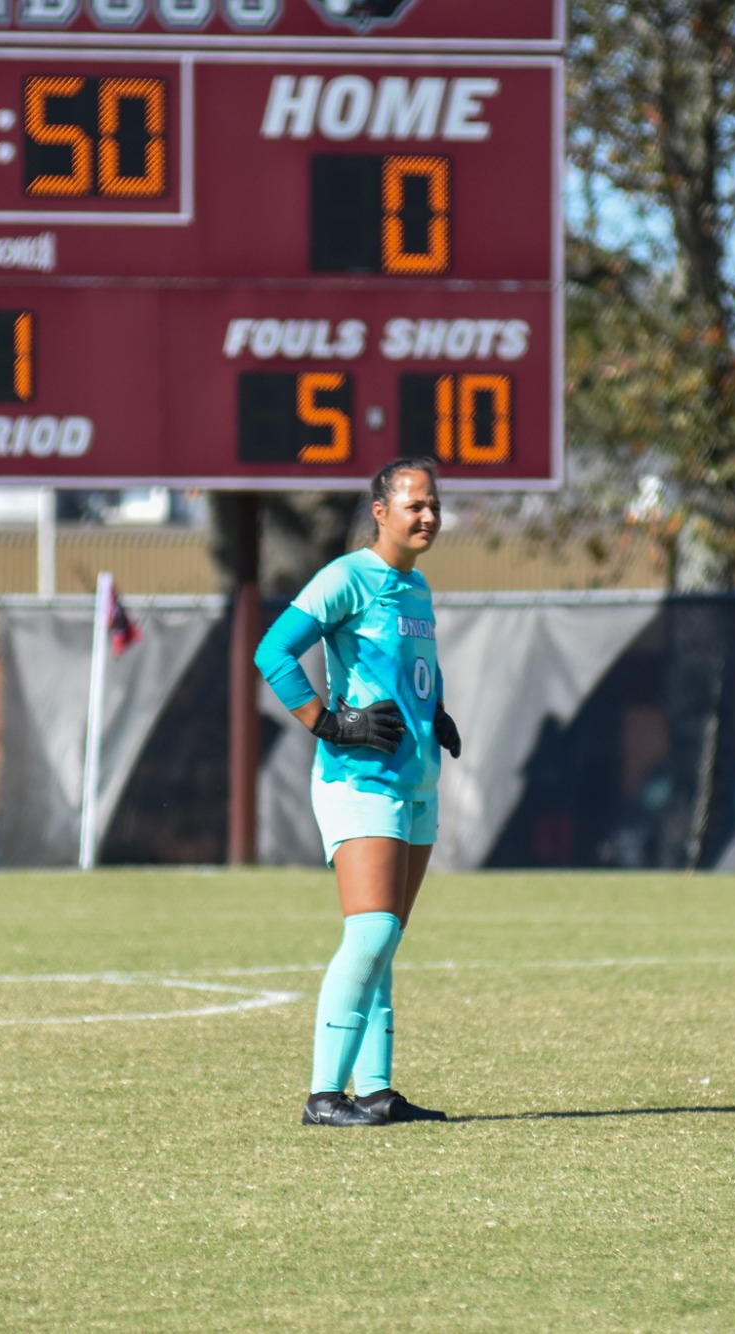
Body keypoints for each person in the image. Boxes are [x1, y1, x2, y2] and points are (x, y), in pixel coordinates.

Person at [253, 457, 462, 1127]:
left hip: (415, 780)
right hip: (359, 781)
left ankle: (374, 1092)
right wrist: (325, 720)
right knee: (370, 930)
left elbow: (408, 669)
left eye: (433, 504)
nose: (428, 516)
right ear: (380, 512)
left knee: (386, 937)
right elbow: (273, 652)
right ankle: (323, 1097)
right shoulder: (346, 576)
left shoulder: (416, 585)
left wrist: (438, 712)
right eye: (414, 505)